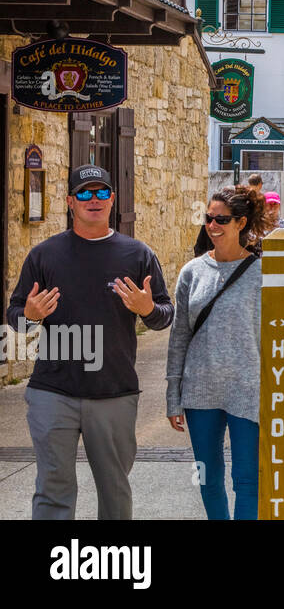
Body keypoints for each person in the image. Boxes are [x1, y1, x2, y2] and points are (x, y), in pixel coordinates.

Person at [6, 165, 174, 519]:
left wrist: (147, 308)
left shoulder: (138, 254)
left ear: (113, 199)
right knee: (53, 488)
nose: (93, 200)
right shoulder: (44, 255)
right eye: (84, 193)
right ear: (70, 201)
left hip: (114, 391)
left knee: (114, 490)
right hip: (52, 391)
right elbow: (15, 317)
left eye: (101, 192)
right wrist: (31, 315)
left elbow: (164, 315)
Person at [166, 186, 266, 519]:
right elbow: (179, 336)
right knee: (208, 479)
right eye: (209, 218)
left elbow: (274, 336)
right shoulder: (191, 272)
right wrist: (173, 395)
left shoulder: (262, 274)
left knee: (247, 480)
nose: (212, 225)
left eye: (221, 219)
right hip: (199, 391)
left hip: (248, 389)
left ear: (241, 223)